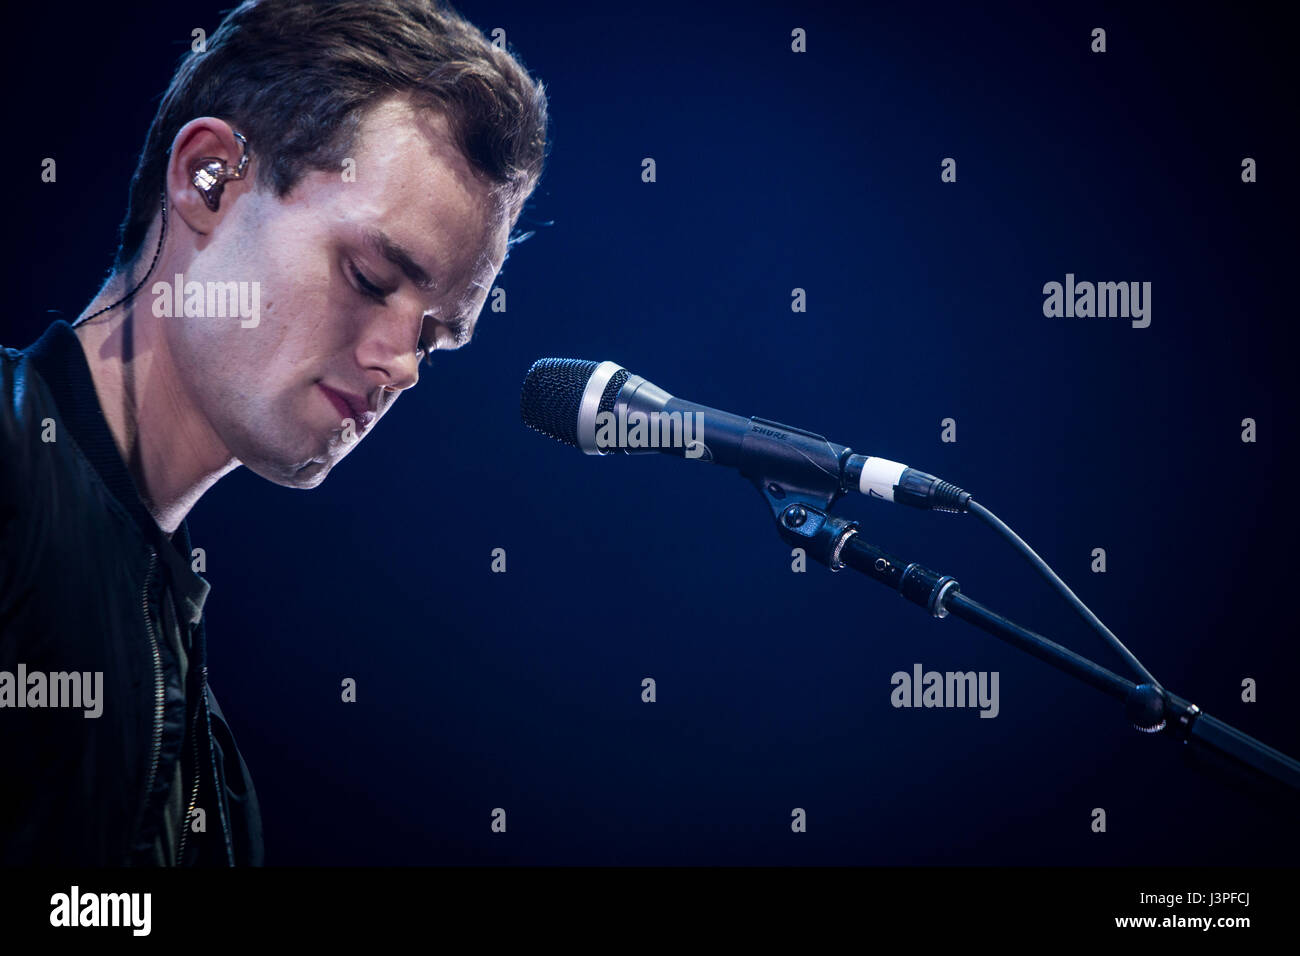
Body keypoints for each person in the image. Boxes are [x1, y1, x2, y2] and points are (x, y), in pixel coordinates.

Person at [0, 0, 548, 865]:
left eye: (435, 337)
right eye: (371, 278)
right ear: (209, 177)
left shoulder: (212, 772)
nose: (403, 366)